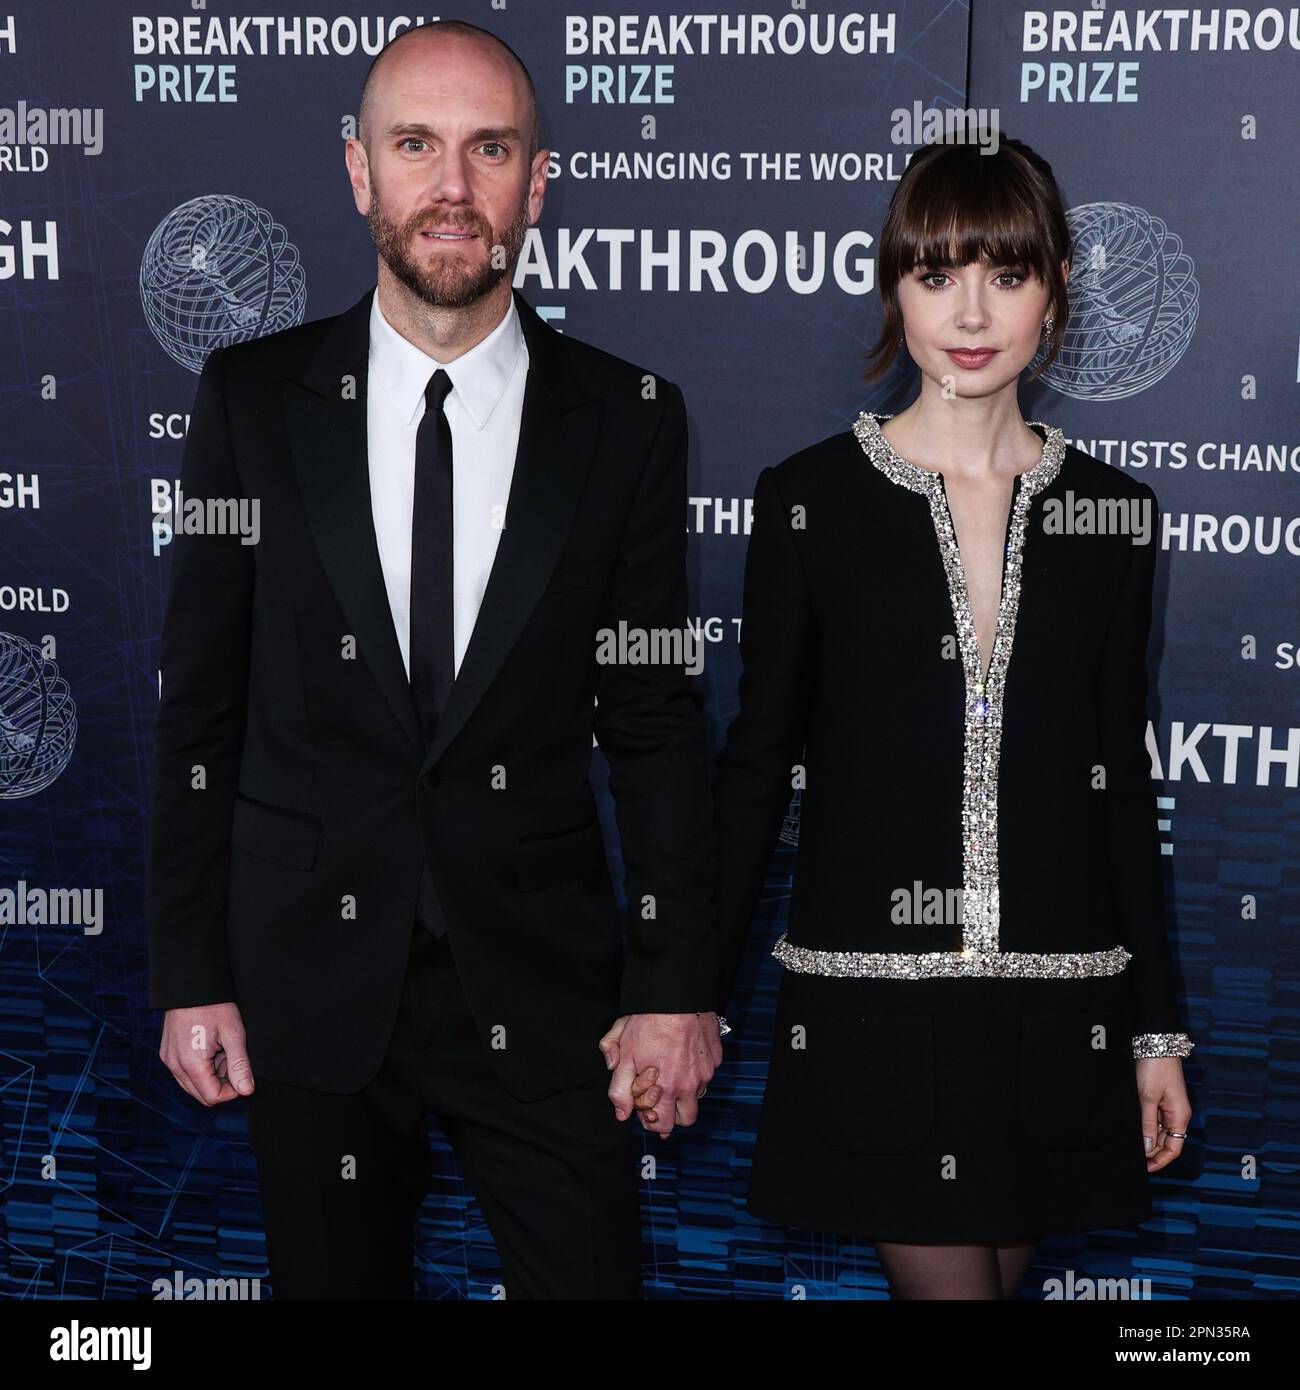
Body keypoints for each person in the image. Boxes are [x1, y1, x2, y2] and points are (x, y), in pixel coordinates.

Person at [148, 19, 721, 1300]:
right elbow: (202, 708)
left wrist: (676, 981)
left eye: (488, 148)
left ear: (537, 178)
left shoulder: (626, 420)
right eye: (417, 146)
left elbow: (653, 720)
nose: (452, 187)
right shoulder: (251, 401)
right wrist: (190, 972)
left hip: (544, 981)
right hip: (307, 985)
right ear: (361, 171)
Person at [662, 134, 1194, 1300]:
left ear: (1053, 293)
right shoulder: (810, 501)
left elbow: (1118, 779)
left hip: (1058, 1005)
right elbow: (757, 763)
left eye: (1005, 274)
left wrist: (1154, 1032)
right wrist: (680, 991)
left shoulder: (1113, 513)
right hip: (875, 1004)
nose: (971, 311)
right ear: (893, 284)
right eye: (937, 273)